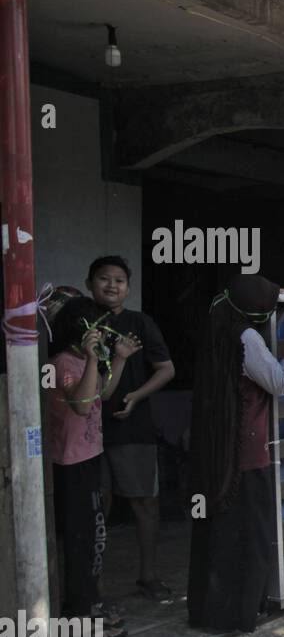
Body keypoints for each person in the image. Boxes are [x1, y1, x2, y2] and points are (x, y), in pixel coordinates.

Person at [188, 275, 284, 633]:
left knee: (219, 534)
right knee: (250, 536)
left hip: (217, 451)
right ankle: (237, 614)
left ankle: (209, 611)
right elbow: (278, 382)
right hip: (245, 453)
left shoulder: (216, 327)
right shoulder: (246, 338)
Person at [46, 295, 142, 637]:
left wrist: (117, 358)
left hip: (90, 458)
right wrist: (91, 358)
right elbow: (84, 406)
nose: (103, 335)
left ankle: (87, 605)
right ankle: (78, 616)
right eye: (98, 330)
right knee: (79, 541)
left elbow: (102, 393)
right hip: (71, 465)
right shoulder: (62, 364)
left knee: (93, 539)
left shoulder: (80, 361)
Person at [86, 255, 176, 601]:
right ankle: (93, 586)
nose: (111, 285)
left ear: (128, 287)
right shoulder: (81, 321)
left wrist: (137, 396)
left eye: (119, 280)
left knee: (144, 503)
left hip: (133, 426)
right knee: (97, 506)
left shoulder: (139, 323)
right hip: (88, 429)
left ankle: (149, 576)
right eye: (104, 278)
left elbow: (166, 369)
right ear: (89, 283)